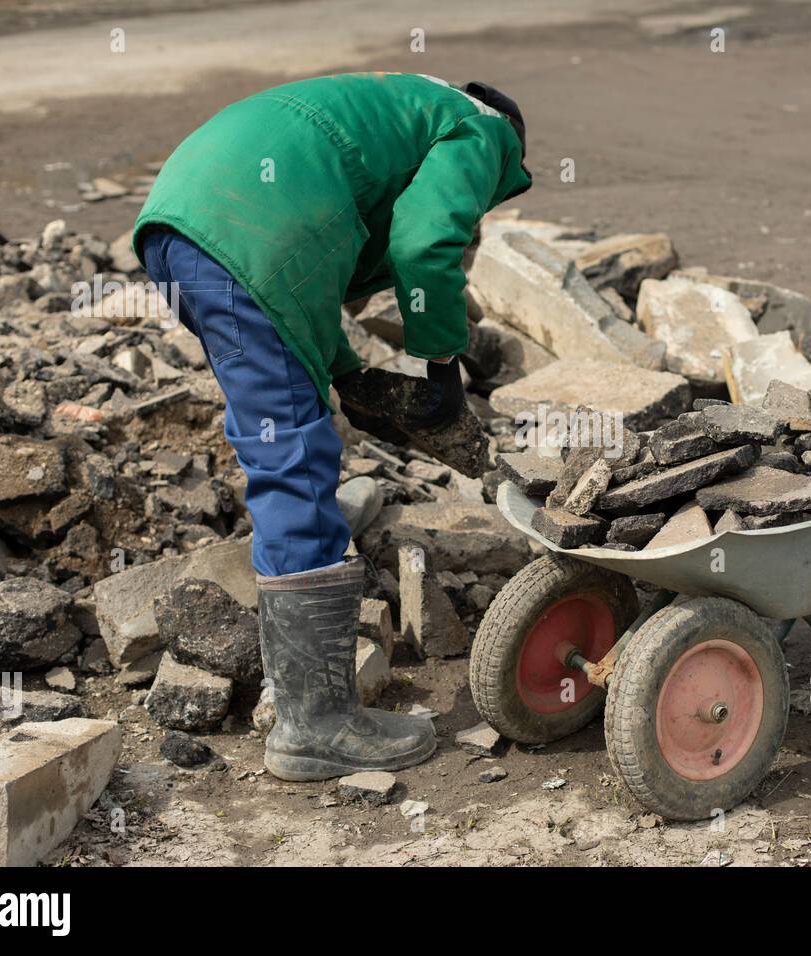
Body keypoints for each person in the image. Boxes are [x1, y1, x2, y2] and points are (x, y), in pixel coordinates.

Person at [132, 72, 531, 781]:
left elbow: (294, 285)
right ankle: (315, 725)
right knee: (292, 456)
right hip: (245, 234)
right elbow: (423, 245)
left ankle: (305, 710)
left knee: (282, 428)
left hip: (182, 226)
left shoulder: (389, 107)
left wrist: (349, 375)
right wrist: (443, 369)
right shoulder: (482, 129)